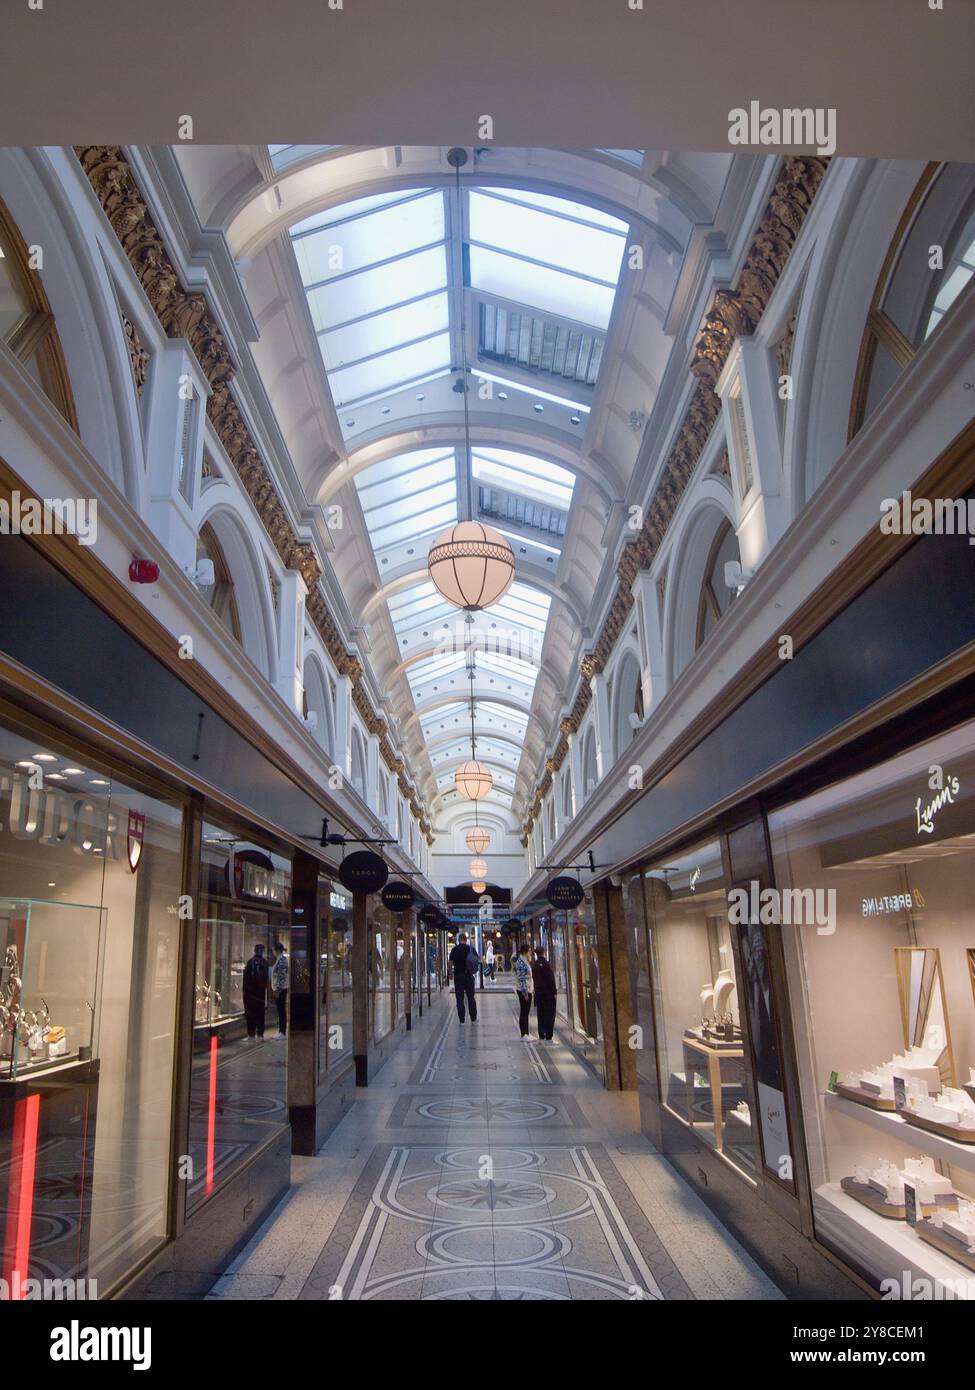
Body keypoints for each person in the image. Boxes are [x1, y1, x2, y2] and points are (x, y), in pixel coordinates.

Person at [447, 931, 479, 1023]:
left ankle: (462, 1020)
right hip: (469, 975)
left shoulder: (454, 949)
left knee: (459, 998)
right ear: (466, 940)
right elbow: (477, 959)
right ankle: (473, 1017)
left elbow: (450, 963)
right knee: (471, 997)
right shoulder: (471, 949)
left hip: (458, 975)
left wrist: (450, 973)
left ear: (458, 940)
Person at [242, 942, 269, 1039]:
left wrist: (244, 991)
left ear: (254, 951)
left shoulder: (250, 962)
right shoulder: (265, 963)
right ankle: (260, 1034)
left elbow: (245, 979)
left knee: (250, 1014)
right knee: (260, 1013)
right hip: (260, 994)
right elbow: (266, 979)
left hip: (250, 993)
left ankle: (251, 1034)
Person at [531, 947, 557, 1042]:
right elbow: (551, 979)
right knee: (549, 1013)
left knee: (540, 1012)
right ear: (544, 953)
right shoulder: (547, 964)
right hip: (548, 993)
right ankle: (549, 1034)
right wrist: (554, 991)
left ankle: (541, 1033)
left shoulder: (534, 965)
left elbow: (533, 978)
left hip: (538, 992)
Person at [513, 945, 533, 1039]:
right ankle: (524, 1034)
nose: (530, 953)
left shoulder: (524, 960)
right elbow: (521, 978)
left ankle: (526, 1033)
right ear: (525, 952)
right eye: (529, 951)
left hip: (527, 989)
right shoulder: (521, 962)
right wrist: (525, 992)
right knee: (524, 1011)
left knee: (526, 1012)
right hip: (524, 990)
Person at [271, 939, 289, 1038]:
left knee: (281, 1010)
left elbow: (281, 976)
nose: (273, 952)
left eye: (273, 950)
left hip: (281, 990)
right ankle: (281, 1031)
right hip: (280, 989)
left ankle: (282, 1031)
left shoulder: (282, 960)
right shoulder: (280, 959)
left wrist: (278, 989)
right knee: (280, 1010)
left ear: (277, 950)